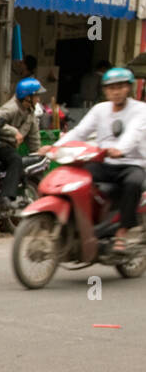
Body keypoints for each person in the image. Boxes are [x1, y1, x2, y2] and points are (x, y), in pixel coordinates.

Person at [41, 66, 146, 251]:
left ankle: (123, 230)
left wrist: (119, 149)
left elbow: (134, 134)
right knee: (77, 178)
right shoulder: (100, 109)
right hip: (104, 162)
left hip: (131, 163)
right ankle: (83, 224)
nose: (116, 91)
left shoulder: (140, 110)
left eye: (120, 87)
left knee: (133, 182)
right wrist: (56, 146)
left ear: (128, 88)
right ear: (105, 90)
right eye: (112, 87)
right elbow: (80, 132)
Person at [0, 77, 44, 213]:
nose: (38, 99)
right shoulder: (11, 108)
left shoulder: (30, 114)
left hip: (6, 148)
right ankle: (6, 197)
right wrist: (14, 132)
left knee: (15, 159)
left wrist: (38, 153)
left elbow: (33, 139)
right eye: (36, 96)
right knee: (16, 160)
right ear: (27, 97)